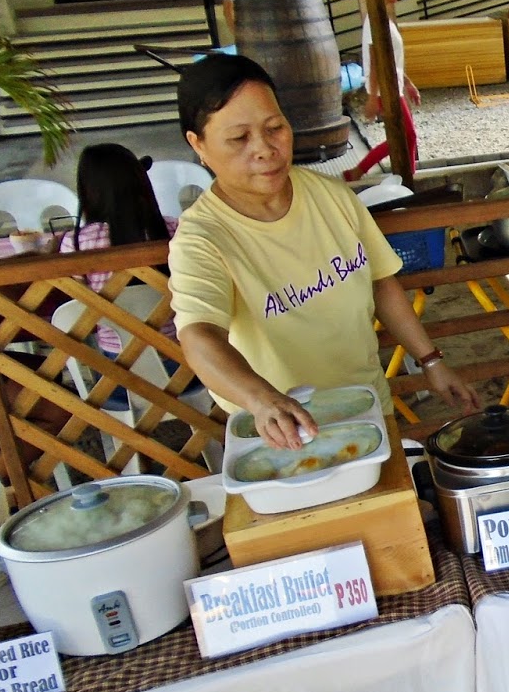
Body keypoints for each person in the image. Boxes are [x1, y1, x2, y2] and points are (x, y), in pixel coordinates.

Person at [169, 53, 479, 450]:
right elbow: (199, 337)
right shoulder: (202, 239)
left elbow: (380, 283)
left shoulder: (331, 197)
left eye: (275, 127)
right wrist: (263, 401)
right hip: (285, 434)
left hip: (368, 412)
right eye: (238, 138)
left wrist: (431, 362)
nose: (264, 149)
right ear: (198, 144)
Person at [59, 144, 181, 355]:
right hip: (182, 362)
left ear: (88, 191)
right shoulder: (175, 230)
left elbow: (77, 304)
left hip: (116, 372)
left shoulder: (76, 244)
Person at [344, 0, 422, 182]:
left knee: (405, 135)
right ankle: (365, 171)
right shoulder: (375, 19)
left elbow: (391, 58)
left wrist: (408, 83)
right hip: (383, 89)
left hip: (392, 85)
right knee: (403, 135)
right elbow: (375, 58)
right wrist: (372, 96)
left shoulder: (383, 17)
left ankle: (408, 174)